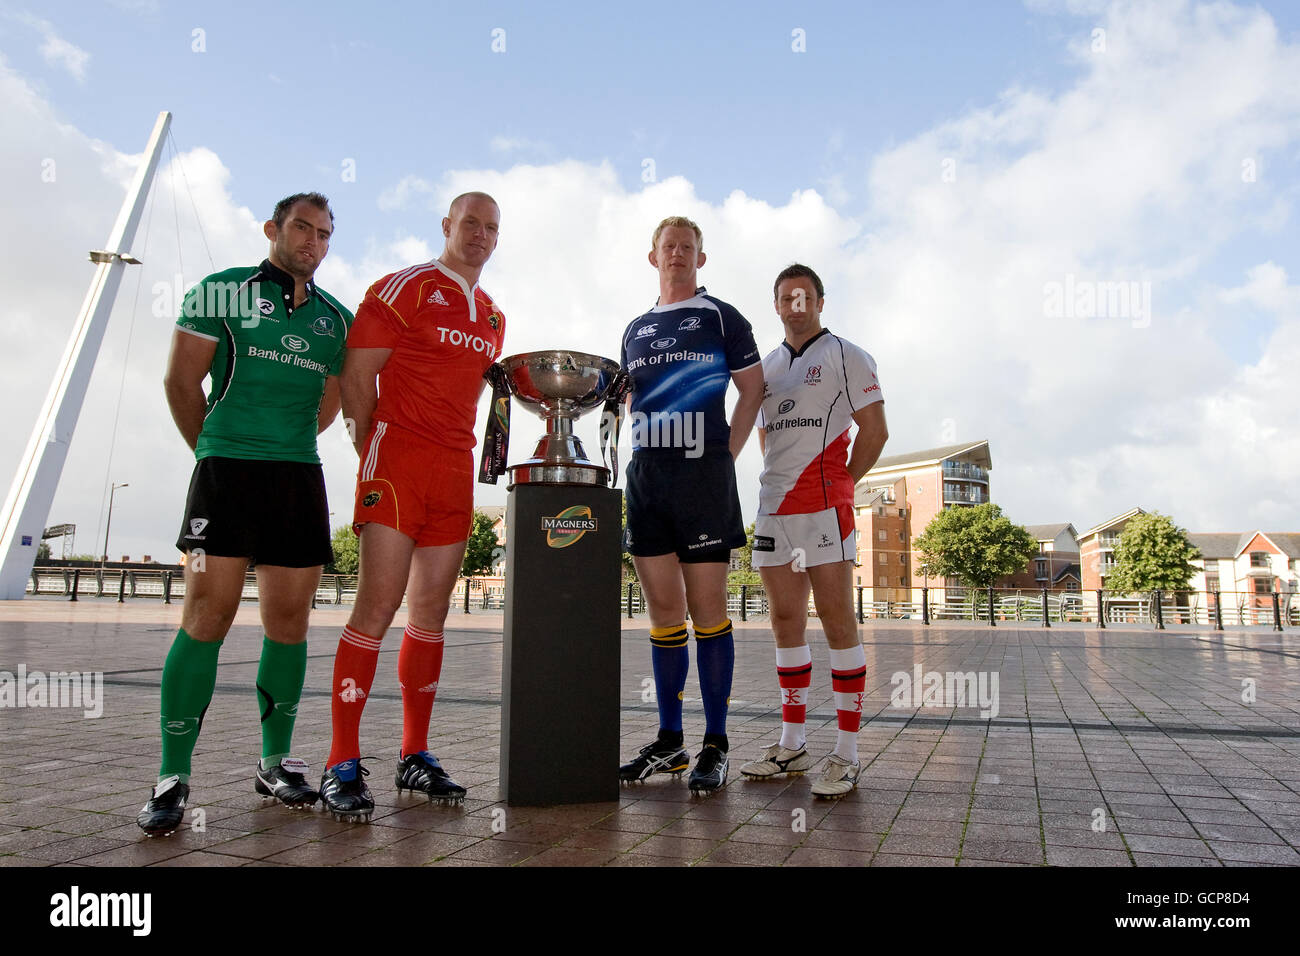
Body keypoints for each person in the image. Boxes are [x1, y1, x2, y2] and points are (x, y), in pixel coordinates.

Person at [138, 193, 351, 836]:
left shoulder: (336, 318)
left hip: (296, 477)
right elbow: (181, 383)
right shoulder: (221, 292)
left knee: (289, 622)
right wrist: (218, 448)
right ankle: (172, 776)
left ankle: (274, 762)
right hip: (224, 473)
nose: (312, 242)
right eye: (301, 228)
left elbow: (328, 406)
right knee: (208, 615)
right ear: (273, 229)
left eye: (324, 234)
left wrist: (281, 445)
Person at [319, 192, 505, 822]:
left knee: (431, 612)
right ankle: (340, 761)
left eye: (491, 228)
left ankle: (413, 753)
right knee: (377, 604)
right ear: (447, 226)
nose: (480, 235)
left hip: (455, 469)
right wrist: (369, 439)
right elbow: (356, 372)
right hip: (397, 458)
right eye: (469, 223)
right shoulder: (404, 287)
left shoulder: (494, 315)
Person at [618, 216, 764, 793]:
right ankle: (671, 743)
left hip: (703, 477)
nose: (677, 253)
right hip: (647, 477)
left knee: (708, 613)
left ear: (701, 259)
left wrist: (724, 457)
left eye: (688, 247)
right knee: (662, 615)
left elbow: (752, 390)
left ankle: (716, 743)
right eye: (667, 246)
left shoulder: (724, 316)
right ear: (652, 257)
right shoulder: (633, 329)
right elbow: (625, 400)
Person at [739, 263, 888, 797]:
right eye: (786, 297)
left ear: (819, 301)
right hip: (773, 507)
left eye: (804, 296)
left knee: (835, 616)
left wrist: (842, 482)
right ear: (776, 305)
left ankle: (846, 754)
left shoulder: (847, 354)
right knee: (784, 619)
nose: (795, 304)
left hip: (825, 505)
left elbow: (876, 430)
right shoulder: (766, 367)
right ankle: (792, 744)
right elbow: (764, 440)